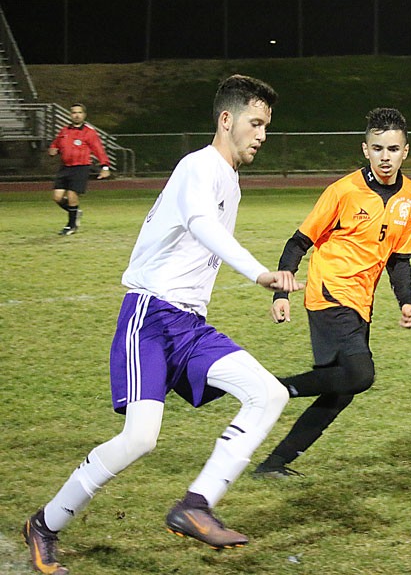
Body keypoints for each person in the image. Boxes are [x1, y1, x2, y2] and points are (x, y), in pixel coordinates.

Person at [23, 75, 303, 574]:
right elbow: (201, 226)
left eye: (266, 126)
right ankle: (44, 524)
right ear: (226, 120)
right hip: (150, 317)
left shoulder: (230, 180)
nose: (262, 134)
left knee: (270, 394)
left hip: (190, 326)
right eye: (255, 123)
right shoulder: (199, 166)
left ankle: (195, 505)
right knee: (140, 439)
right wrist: (261, 274)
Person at [253, 107, 411, 478]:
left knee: (340, 390)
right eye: (377, 148)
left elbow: (399, 258)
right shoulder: (343, 191)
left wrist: (406, 301)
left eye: (393, 149)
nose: (385, 157)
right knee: (361, 375)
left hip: (362, 302)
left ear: (405, 151)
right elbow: (299, 242)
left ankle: (272, 465)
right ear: (365, 150)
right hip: (330, 294)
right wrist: (280, 294)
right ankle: (274, 389)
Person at [48, 103, 111, 235]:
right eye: (74, 113)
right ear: (70, 115)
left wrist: (104, 166)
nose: (76, 115)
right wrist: (53, 148)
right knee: (57, 197)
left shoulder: (89, 132)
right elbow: (56, 143)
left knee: (72, 195)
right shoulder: (65, 131)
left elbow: (98, 150)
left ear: (84, 115)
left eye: (79, 112)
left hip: (80, 167)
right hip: (65, 167)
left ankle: (71, 226)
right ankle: (75, 212)